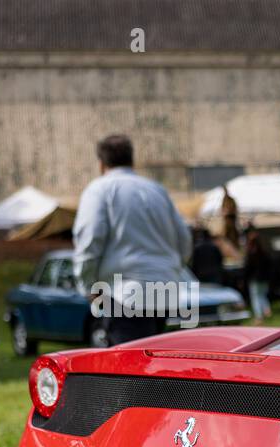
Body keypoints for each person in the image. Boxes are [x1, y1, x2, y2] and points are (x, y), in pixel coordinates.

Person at [72, 134, 192, 344]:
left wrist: (88, 286)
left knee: (130, 369)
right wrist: (170, 270)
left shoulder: (100, 189)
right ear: (132, 160)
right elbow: (184, 241)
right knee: (154, 364)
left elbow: (89, 240)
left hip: (123, 293)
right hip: (164, 291)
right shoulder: (157, 190)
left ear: (101, 164)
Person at [242, 223, 272, 322]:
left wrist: (244, 278)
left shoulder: (251, 254)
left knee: (255, 297)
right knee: (262, 294)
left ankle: (259, 316)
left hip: (255, 278)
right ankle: (267, 310)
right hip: (264, 277)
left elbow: (247, 268)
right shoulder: (264, 252)